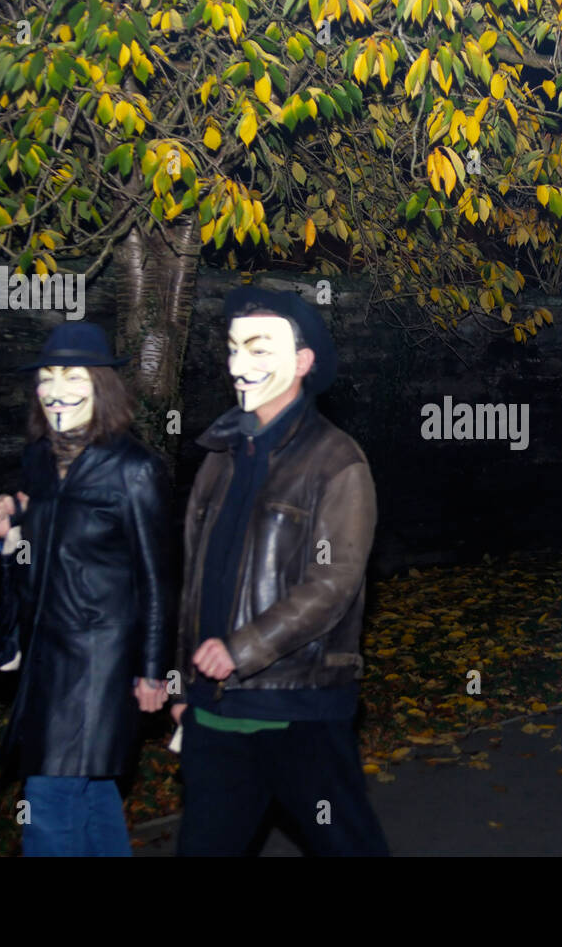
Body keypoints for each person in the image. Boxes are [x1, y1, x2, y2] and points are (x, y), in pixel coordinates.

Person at [171, 286, 388, 857]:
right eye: (235, 348)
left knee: (348, 847)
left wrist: (242, 648)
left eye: (260, 349)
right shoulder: (220, 455)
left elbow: (333, 584)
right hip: (216, 709)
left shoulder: (337, 461)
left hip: (299, 705)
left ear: (302, 362)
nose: (240, 365)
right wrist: (183, 680)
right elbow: (197, 577)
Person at [0, 321, 171, 856]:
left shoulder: (134, 469)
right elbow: (33, 548)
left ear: (100, 385)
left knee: (47, 792)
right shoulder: (38, 461)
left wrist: (154, 669)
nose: (56, 389)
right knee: (91, 792)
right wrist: (8, 530)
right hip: (45, 649)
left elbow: (157, 576)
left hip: (100, 658)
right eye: (46, 377)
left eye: (71, 375)